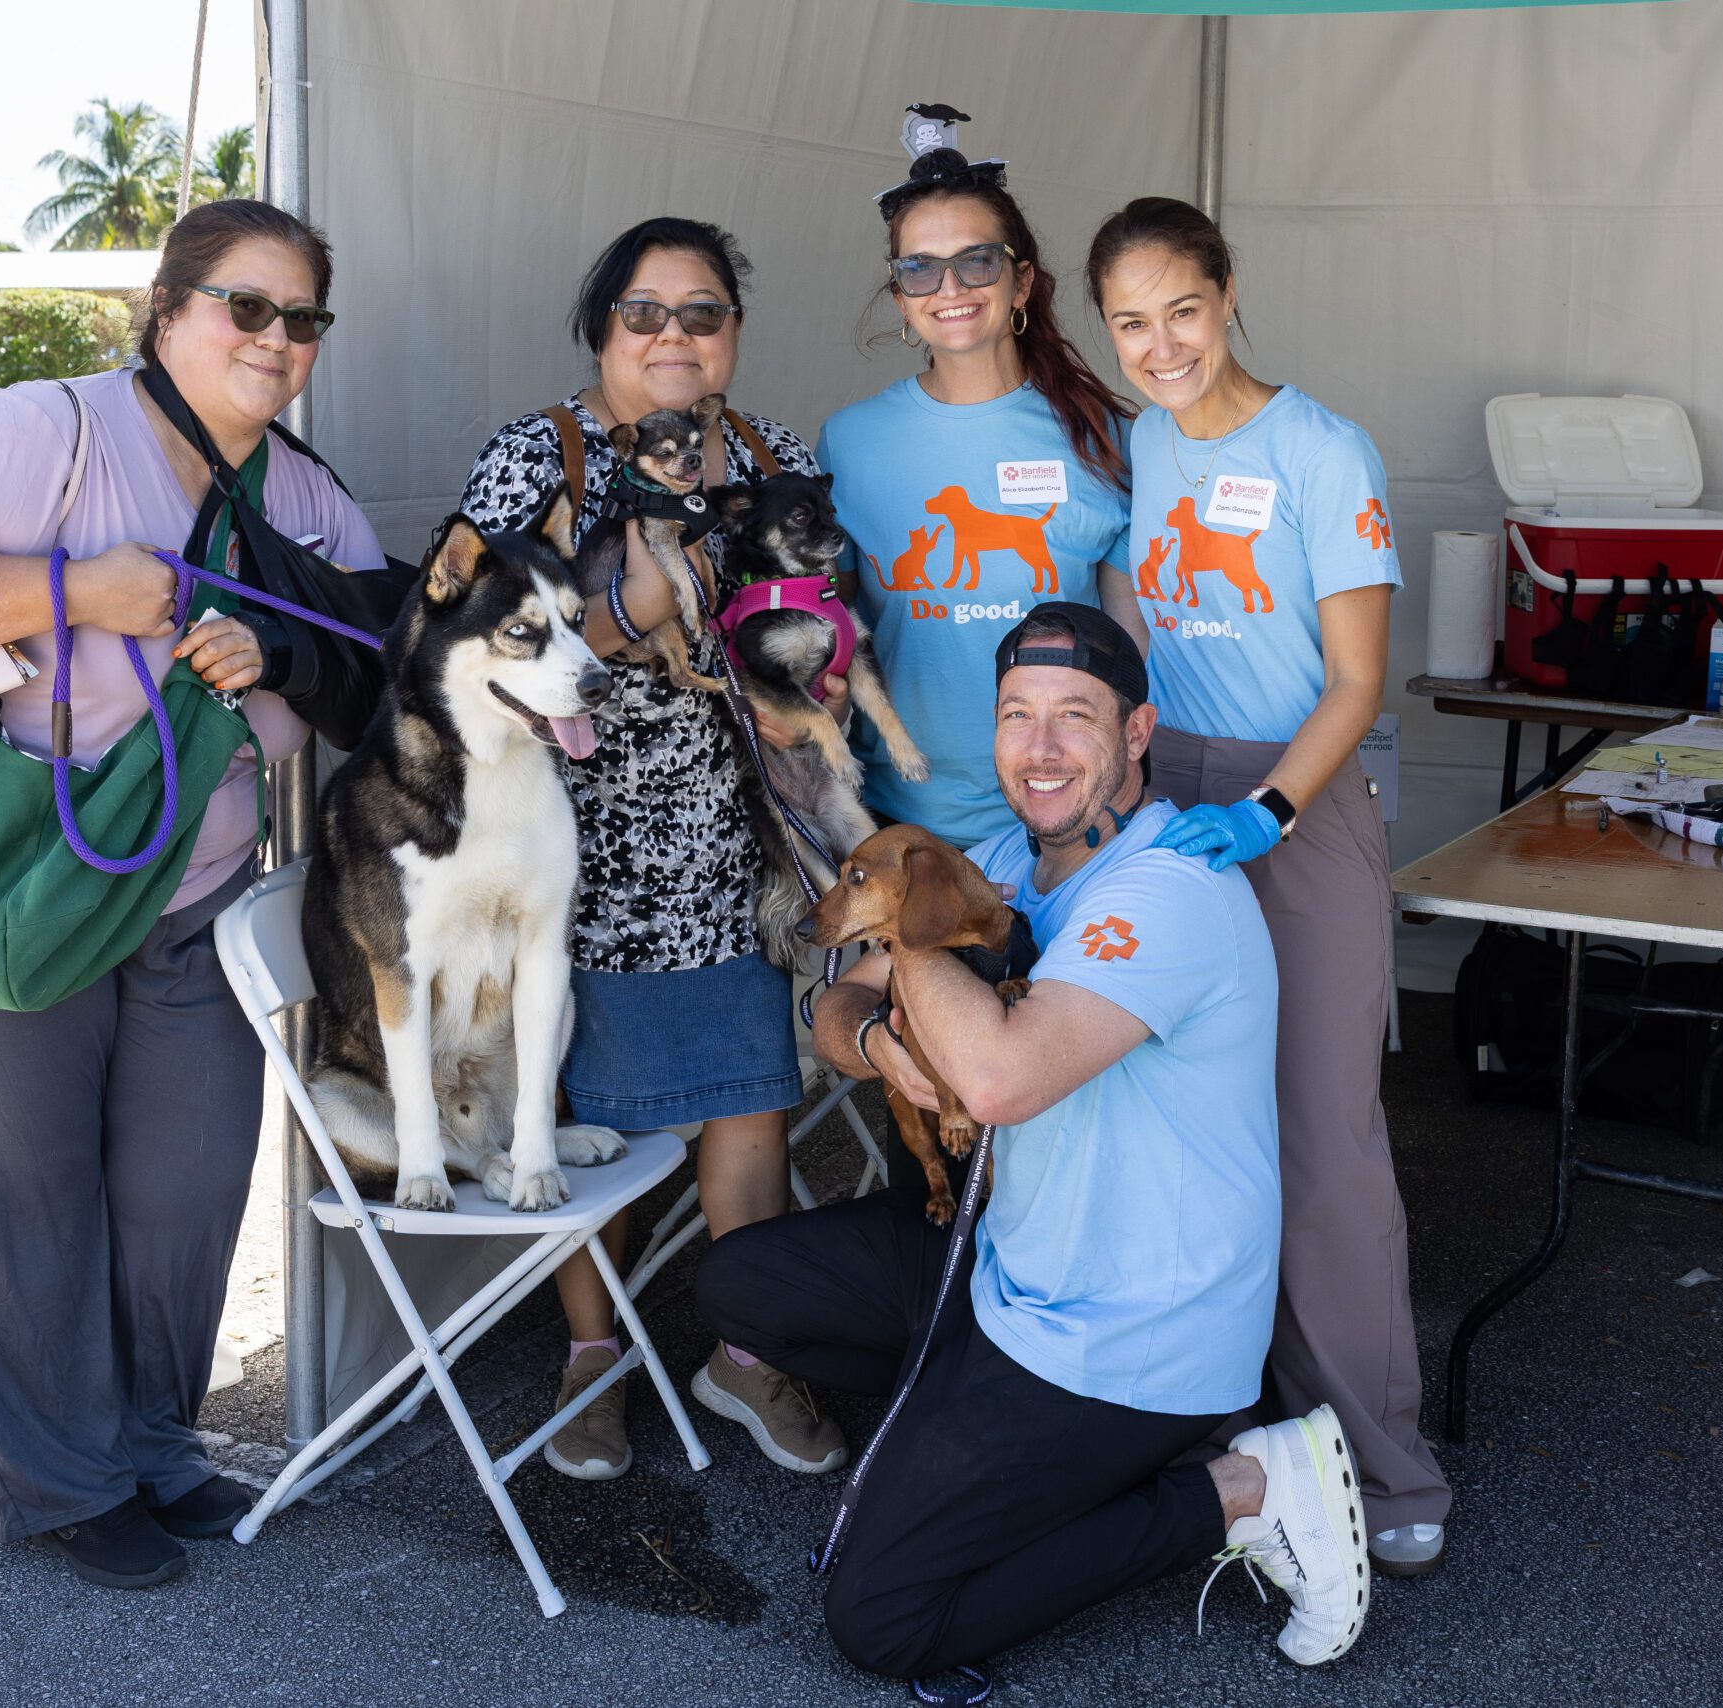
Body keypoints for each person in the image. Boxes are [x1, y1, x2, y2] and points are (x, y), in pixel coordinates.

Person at [0, 199, 385, 1590]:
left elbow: (372, 665)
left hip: (183, 888)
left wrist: (277, 656)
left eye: (299, 317)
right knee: (20, 1193)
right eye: (242, 308)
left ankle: (150, 1441)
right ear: (169, 307)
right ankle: (62, 1483)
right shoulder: (44, 432)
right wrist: (73, 590)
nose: (273, 340)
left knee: (184, 1183)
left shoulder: (307, 497)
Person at [698, 604, 1370, 1681]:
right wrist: (880, 1037)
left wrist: (911, 924)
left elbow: (999, 1076)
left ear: (1137, 733)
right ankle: (989, 1449)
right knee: (741, 1283)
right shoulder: (1000, 856)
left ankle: (1239, 1490)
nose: (1041, 747)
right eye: (1017, 715)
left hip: (1132, 1333)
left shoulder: (1169, 888)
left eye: (1074, 717)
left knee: (882, 1621)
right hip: (1010, 1271)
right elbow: (837, 1002)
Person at [1086, 195, 1448, 1576]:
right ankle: (1221, 1423)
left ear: (1228, 294)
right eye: (1130, 321)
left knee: (1321, 1136)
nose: (1161, 344)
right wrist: (1126, 787)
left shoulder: (1320, 448)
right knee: (1181, 1124)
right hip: (1162, 791)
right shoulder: (1138, 440)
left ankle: (1381, 1456)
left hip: (1291, 800)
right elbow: (1132, 618)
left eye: (1182, 308)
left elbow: (1359, 680)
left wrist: (1267, 811)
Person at [457, 217, 846, 1485]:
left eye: (703, 312)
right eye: (644, 312)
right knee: (591, 1116)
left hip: (737, 830)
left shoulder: (772, 454)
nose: (674, 336)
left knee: (750, 1098)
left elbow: (817, 610)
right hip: (579, 838)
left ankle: (746, 1356)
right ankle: (591, 1355)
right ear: (600, 329)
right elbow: (458, 632)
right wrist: (622, 614)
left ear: (733, 330)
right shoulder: (540, 453)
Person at [818, 121, 1135, 847]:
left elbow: (1138, 645)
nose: (950, 288)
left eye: (977, 261)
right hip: (905, 820)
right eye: (920, 269)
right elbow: (835, 632)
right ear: (900, 298)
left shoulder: (1104, 435)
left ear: (1021, 278)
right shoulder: (850, 440)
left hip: (1073, 819)